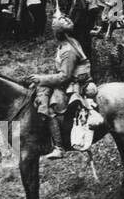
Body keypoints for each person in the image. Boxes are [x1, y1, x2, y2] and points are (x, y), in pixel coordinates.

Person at [30, 16, 95, 160]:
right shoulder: (68, 42)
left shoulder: (68, 50)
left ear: (57, 33)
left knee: (51, 108)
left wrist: (42, 79)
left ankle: (59, 147)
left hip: (74, 84)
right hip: (69, 80)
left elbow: (64, 76)